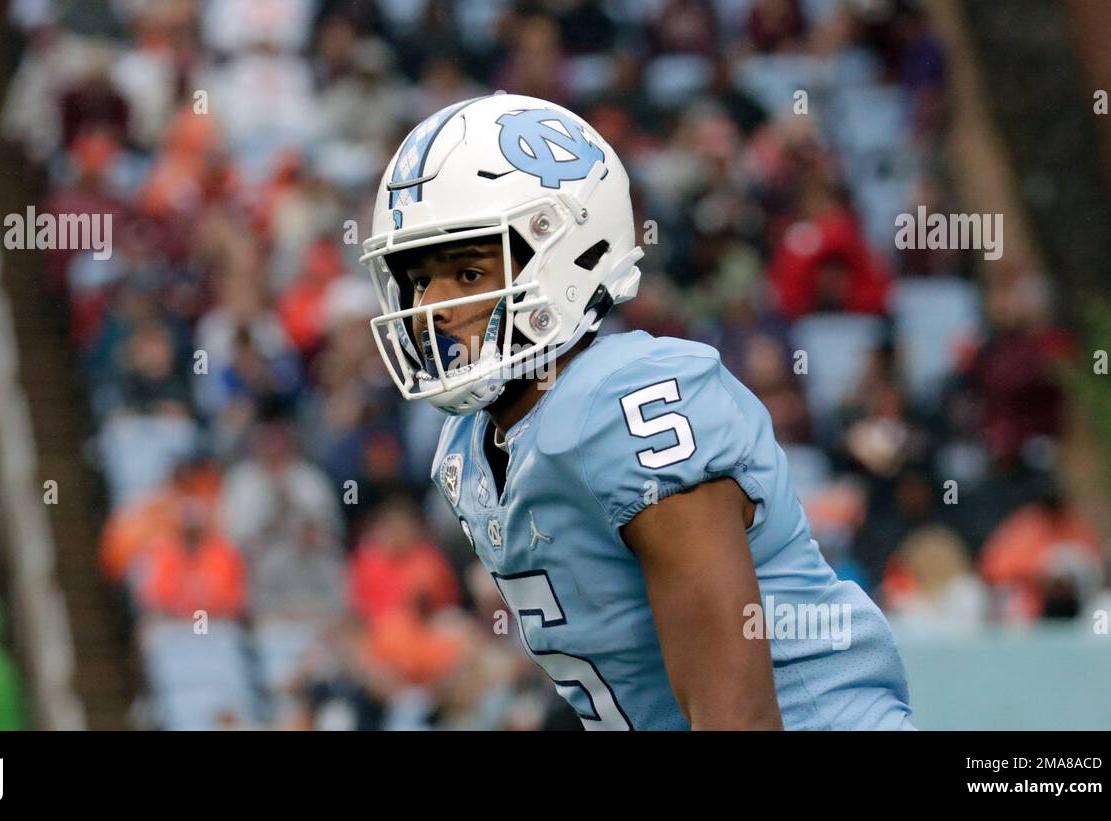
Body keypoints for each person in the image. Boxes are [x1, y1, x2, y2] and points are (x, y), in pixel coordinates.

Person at [361, 93, 914, 730]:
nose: (432, 306)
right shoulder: (469, 444)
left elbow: (737, 719)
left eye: (466, 272)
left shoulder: (632, 404)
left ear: (565, 256)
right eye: (418, 277)